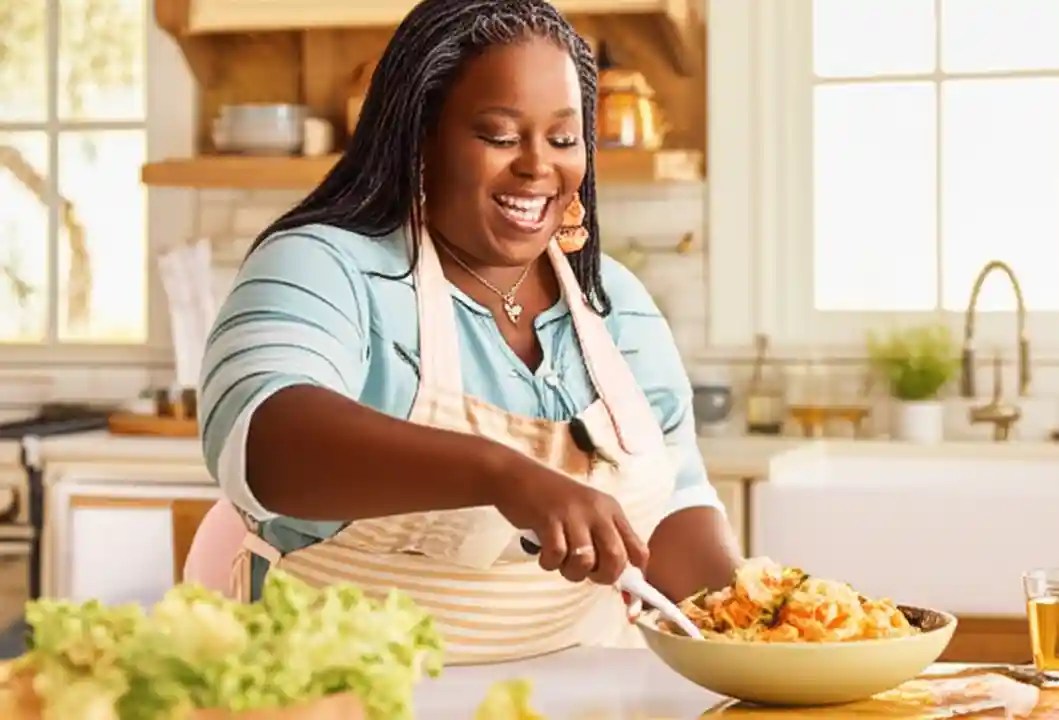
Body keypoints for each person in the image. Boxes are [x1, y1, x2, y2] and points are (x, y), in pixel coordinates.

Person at [189, 0, 742, 664]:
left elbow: (675, 502)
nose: (539, 167)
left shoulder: (612, 299)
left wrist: (757, 619)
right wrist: (504, 475)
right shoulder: (326, 264)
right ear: (420, 138)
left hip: (591, 702)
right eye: (501, 135)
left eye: (563, 139)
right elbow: (265, 442)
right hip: (347, 698)